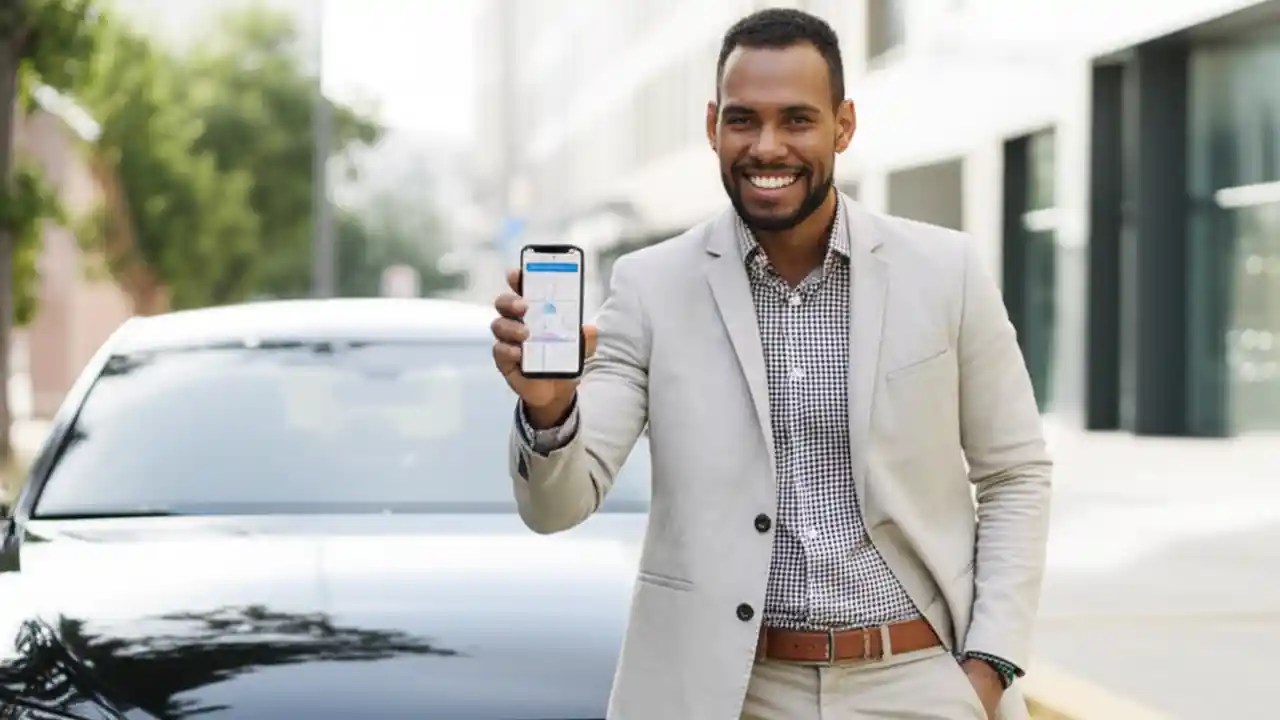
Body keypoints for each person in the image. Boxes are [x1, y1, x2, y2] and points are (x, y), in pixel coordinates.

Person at [490, 8, 1051, 720]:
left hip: (917, 682)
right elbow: (556, 507)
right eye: (742, 120)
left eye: (797, 120)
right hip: (727, 693)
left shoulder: (947, 271)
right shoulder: (649, 287)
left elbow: (1014, 475)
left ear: (843, 125)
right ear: (712, 127)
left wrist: (988, 665)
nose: (766, 146)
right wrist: (548, 408)